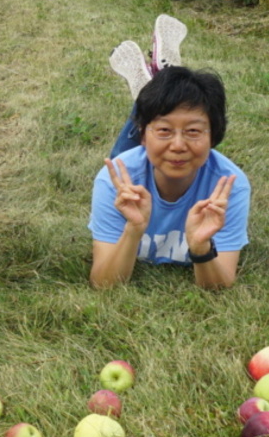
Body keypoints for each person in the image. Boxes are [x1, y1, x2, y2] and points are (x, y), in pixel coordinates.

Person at [89, 15, 251, 289]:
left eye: (194, 131)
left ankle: (154, 87)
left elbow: (220, 285)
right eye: (165, 131)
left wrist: (201, 247)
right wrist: (133, 230)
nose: (178, 145)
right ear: (141, 136)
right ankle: (156, 86)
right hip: (137, 156)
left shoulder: (228, 187)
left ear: (214, 136)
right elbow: (103, 284)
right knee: (130, 151)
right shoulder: (113, 183)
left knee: (159, 114)